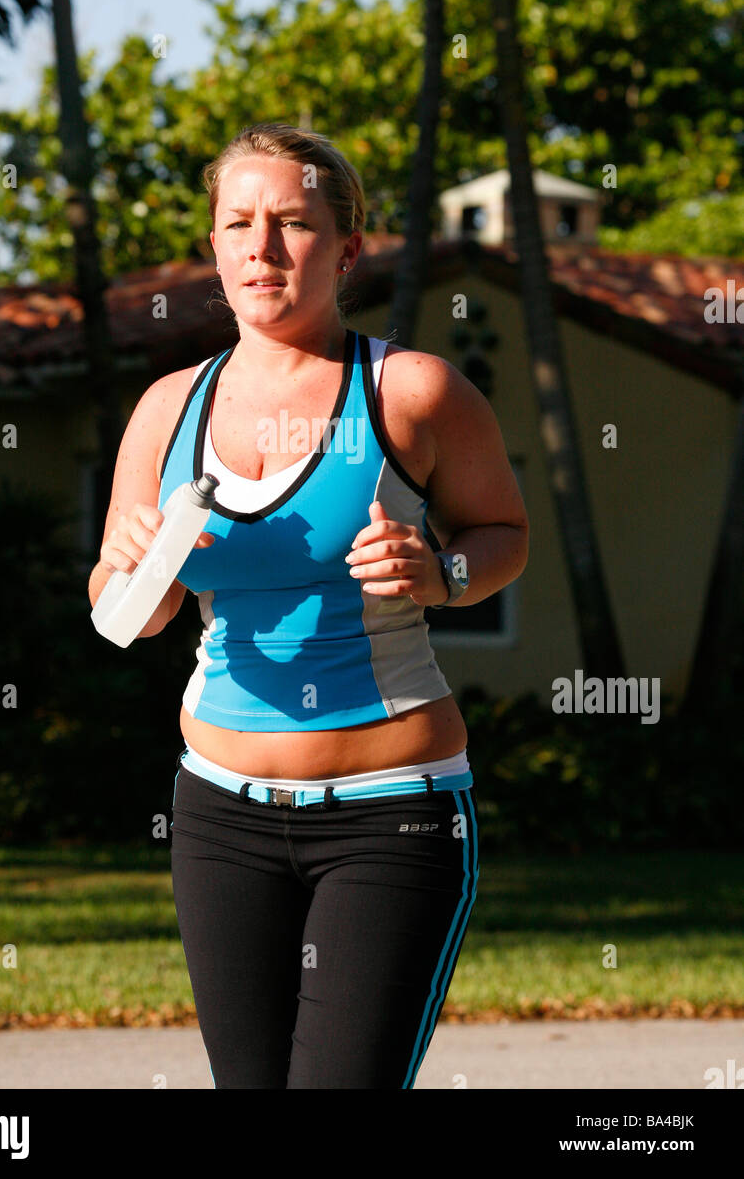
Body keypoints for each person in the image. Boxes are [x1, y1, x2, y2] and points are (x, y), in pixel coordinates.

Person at [88, 123, 529, 1089]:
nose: (262, 246)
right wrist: (130, 574)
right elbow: (129, 612)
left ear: (347, 249)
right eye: (238, 223)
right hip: (217, 815)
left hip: (391, 819)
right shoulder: (167, 410)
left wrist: (441, 574)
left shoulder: (410, 393)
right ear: (213, 247)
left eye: (293, 222)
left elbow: (505, 534)